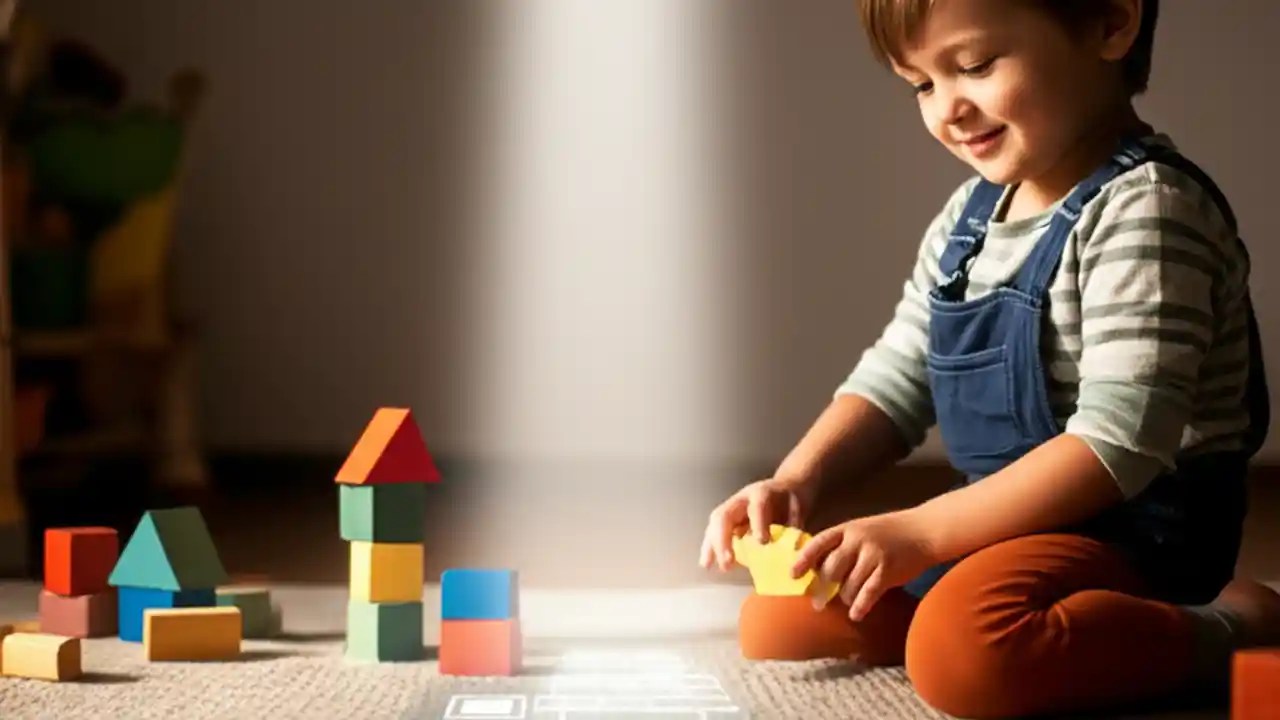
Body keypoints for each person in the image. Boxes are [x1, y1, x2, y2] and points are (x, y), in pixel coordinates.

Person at [697, 1, 1280, 717]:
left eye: (973, 66)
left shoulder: (1148, 211)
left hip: (1140, 535)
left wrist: (920, 532)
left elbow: (1119, 444)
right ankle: (956, 619)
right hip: (1000, 525)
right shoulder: (968, 219)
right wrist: (797, 479)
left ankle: (1229, 626)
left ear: (1109, 23)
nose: (948, 109)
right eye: (922, 84)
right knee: (782, 616)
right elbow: (898, 374)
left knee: (967, 654)